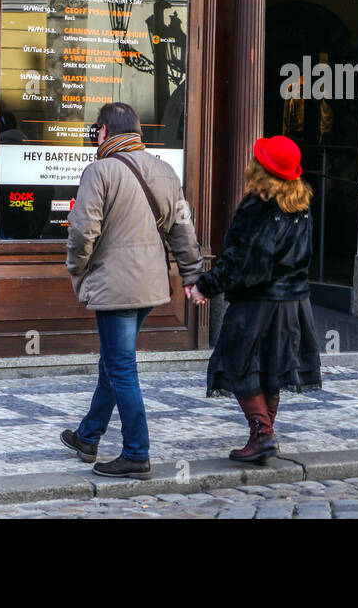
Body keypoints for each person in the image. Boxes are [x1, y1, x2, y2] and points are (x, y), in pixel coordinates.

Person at [60, 101, 203, 479]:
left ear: (105, 132)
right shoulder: (165, 171)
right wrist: (192, 274)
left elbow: (81, 231)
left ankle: (137, 453)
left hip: (116, 287)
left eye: (96, 131)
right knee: (113, 361)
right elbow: (183, 229)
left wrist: (77, 269)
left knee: (121, 367)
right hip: (151, 286)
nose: (95, 138)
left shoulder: (100, 171)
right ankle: (88, 436)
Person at [182, 135, 322, 464]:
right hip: (294, 303)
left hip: (258, 303)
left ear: (260, 169)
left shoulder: (258, 207)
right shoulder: (301, 206)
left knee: (236, 362)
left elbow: (242, 263)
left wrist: (206, 286)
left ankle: (263, 435)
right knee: (272, 368)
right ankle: (263, 437)